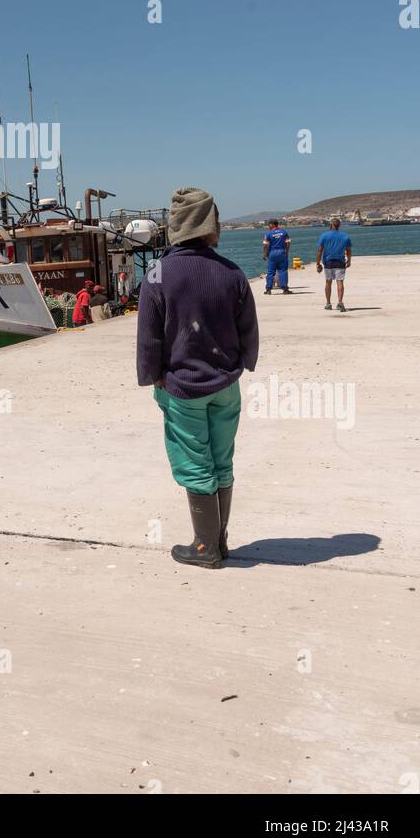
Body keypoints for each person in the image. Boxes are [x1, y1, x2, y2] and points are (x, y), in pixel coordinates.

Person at [137, 186, 259, 569]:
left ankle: (205, 548)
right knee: (222, 459)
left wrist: (151, 376)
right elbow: (248, 330)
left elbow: (149, 335)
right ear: (211, 227)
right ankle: (220, 541)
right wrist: (243, 363)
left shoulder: (158, 273)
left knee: (194, 462)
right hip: (226, 385)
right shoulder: (231, 273)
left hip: (182, 387)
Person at [315, 216, 352, 312]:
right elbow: (348, 250)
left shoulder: (324, 236)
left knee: (328, 282)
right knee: (340, 282)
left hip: (328, 262)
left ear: (331, 225)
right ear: (339, 226)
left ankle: (328, 303)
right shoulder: (345, 236)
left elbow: (319, 251)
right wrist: (349, 260)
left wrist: (318, 263)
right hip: (340, 262)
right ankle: (340, 302)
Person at [262, 219, 292, 295]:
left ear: (273, 224)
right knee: (283, 271)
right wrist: (287, 252)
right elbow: (288, 243)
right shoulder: (284, 232)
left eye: (269, 224)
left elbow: (265, 245)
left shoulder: (268, 234)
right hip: (282, 253)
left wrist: (265, 255)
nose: (268, 226)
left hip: (272, 253)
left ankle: (268, 290)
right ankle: (285, 289)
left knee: (270, 272)